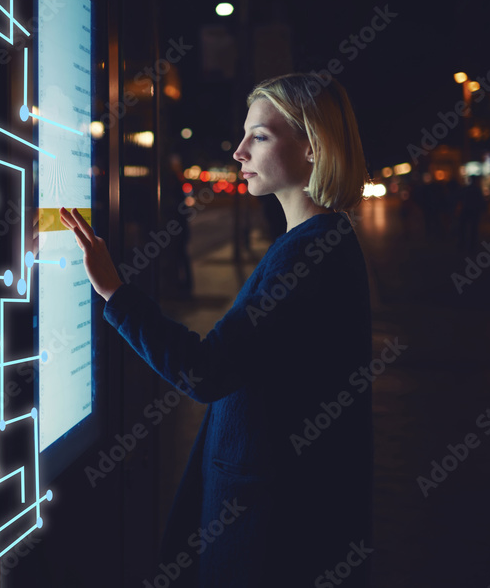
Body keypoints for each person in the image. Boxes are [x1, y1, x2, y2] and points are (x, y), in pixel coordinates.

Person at [60, 73, 374, 587]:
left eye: (261, 136)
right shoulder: (320, 241)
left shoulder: (306, 254)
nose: (239, 151)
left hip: (269, 526)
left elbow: (206, 371)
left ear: (313, 148)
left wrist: (115, 292)